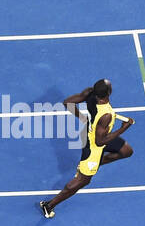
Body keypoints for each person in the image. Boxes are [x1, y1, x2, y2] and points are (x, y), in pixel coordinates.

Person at [40, 78, 134, 218]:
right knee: (83, 180)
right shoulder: (106, 114)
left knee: (126, 151)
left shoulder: (89, 92)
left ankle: (96, 163)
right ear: (109, 92)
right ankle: (48, 205)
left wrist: (83, 119)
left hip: (94, 132)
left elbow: (68, 103)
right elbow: (100, 141)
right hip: (94, 145)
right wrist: (123, 129)